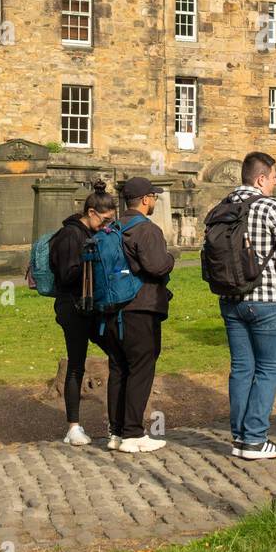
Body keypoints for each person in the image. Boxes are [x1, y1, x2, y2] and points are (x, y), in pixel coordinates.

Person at [217, 152, 276, 461]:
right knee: (269, 369)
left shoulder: (223, 207)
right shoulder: (271, 207)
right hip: (269, 301)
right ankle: (256, 438)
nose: (275, 182)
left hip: (231, 299)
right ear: (260, 178)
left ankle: (240, 437)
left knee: (241, 368)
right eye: (273, 177)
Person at [98, 177, 175, 453]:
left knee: (118, 369)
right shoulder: (146, 230)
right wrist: (171, 259)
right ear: (145, 199)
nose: (154, 201)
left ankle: (116, 432)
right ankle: (133, 433)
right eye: (153, 196)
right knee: (141, 368)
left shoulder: (112, 228)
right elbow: (156, 266)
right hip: (140, 308)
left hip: (111, 310)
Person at [48, 186, 119, 446]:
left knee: (117, 354)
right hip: (73, 308)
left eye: (111, 220)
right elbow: (66, 275)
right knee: (76, 364)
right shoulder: (70, 235)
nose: (107, 225)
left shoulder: (90, 232)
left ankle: (116, 424)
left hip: (92, 307)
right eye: (104, 220)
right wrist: (91, 264)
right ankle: (73, 427)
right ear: (91, 212)